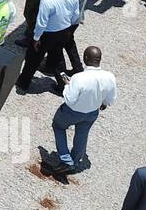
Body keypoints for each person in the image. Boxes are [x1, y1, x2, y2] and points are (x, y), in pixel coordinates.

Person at [45, 45, 115, 175]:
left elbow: (69, 99)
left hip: (72, 112)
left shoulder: (79, 78)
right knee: (82, 135)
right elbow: (109, 99)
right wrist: (103, 103)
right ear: (99, 59)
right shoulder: (109, 77)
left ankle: (66, 160)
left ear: (85, 58)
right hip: (92, 113)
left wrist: (67, 85)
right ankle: (75, 162)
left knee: (58, 126)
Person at [17, 0, 81, 95]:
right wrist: (68, 28)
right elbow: (76, 14)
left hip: (48, 35)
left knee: (33, 59)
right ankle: (63, 85)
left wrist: (36, 38)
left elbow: (41, 23)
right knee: (58, 59)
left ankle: (23, 84)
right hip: (64, 31)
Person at [62, 0, 88, 74]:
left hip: (69, 22)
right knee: (68, 43)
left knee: (57, 46)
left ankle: (57, 70)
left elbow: (65, 7)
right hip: (74, 20)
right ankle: (77, 67)